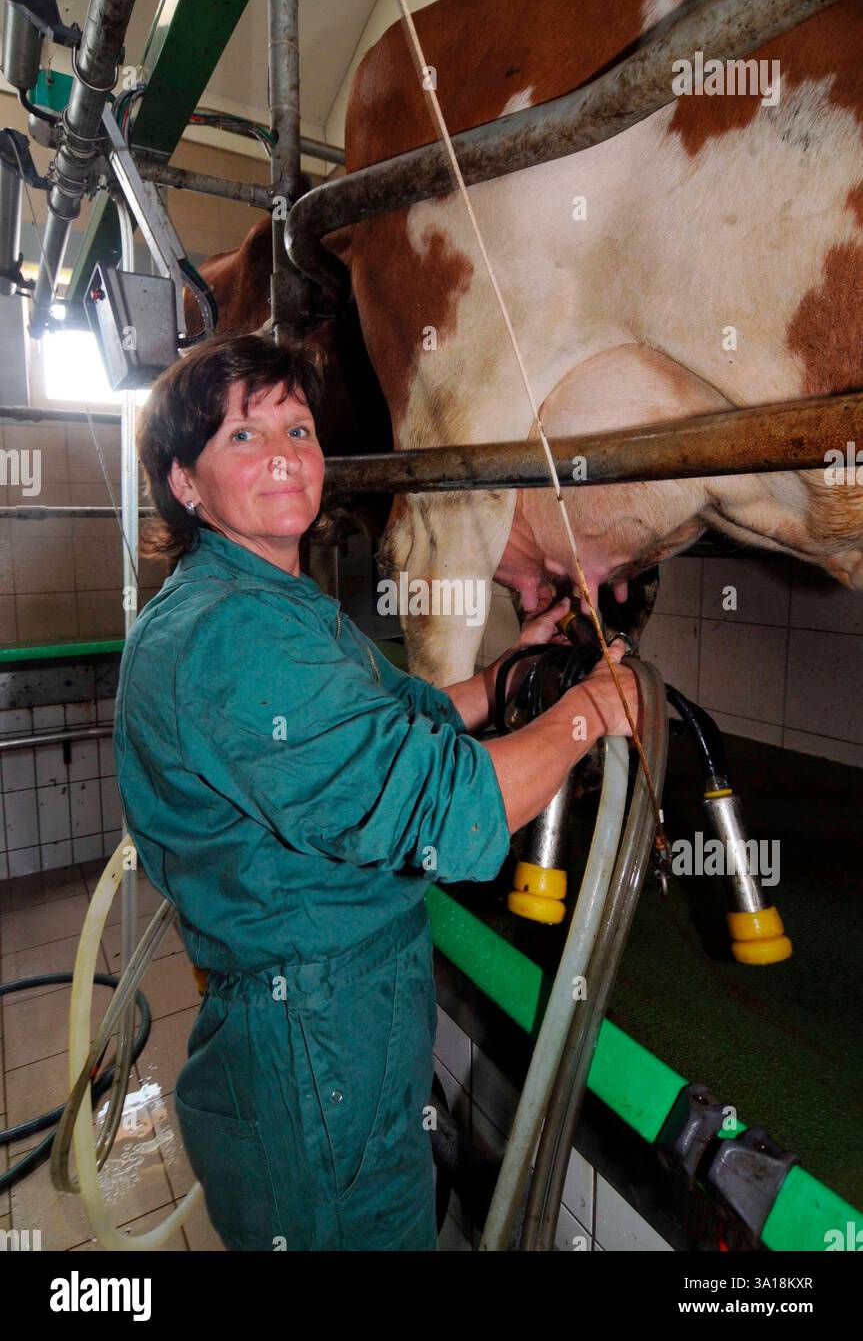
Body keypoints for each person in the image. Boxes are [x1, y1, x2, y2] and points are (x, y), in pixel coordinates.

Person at [114, 330, 640, 1252]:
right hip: (312, 1043)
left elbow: (392, 718)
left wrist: (507, 675)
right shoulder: (231, 634)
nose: (284, 453)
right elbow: (441, 805)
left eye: (299, 428)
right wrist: (588, 714)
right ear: (183, 483)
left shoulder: (272, 603)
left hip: (333, 1017)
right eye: (243, 436)